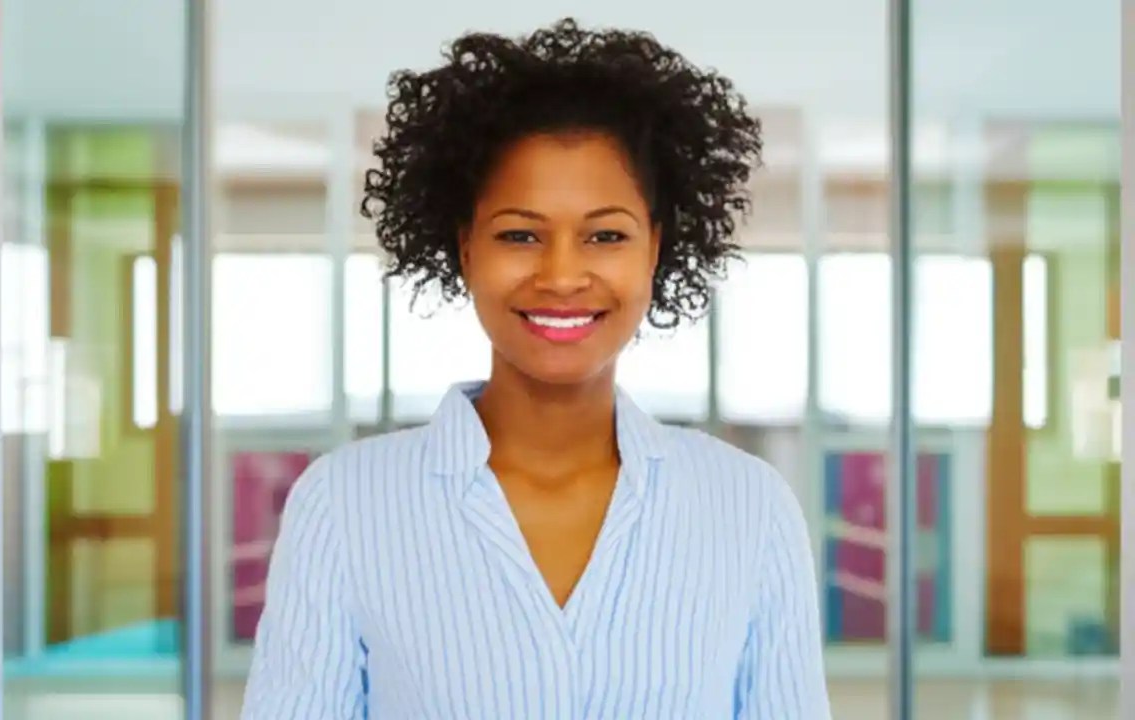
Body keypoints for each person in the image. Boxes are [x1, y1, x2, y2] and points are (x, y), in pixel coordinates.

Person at [242, 17, 830, 719]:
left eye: (605, 236)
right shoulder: (343, 507)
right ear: (465, 249)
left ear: (654, 251)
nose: (561, 275)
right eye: (520, 235)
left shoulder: (750, 509)